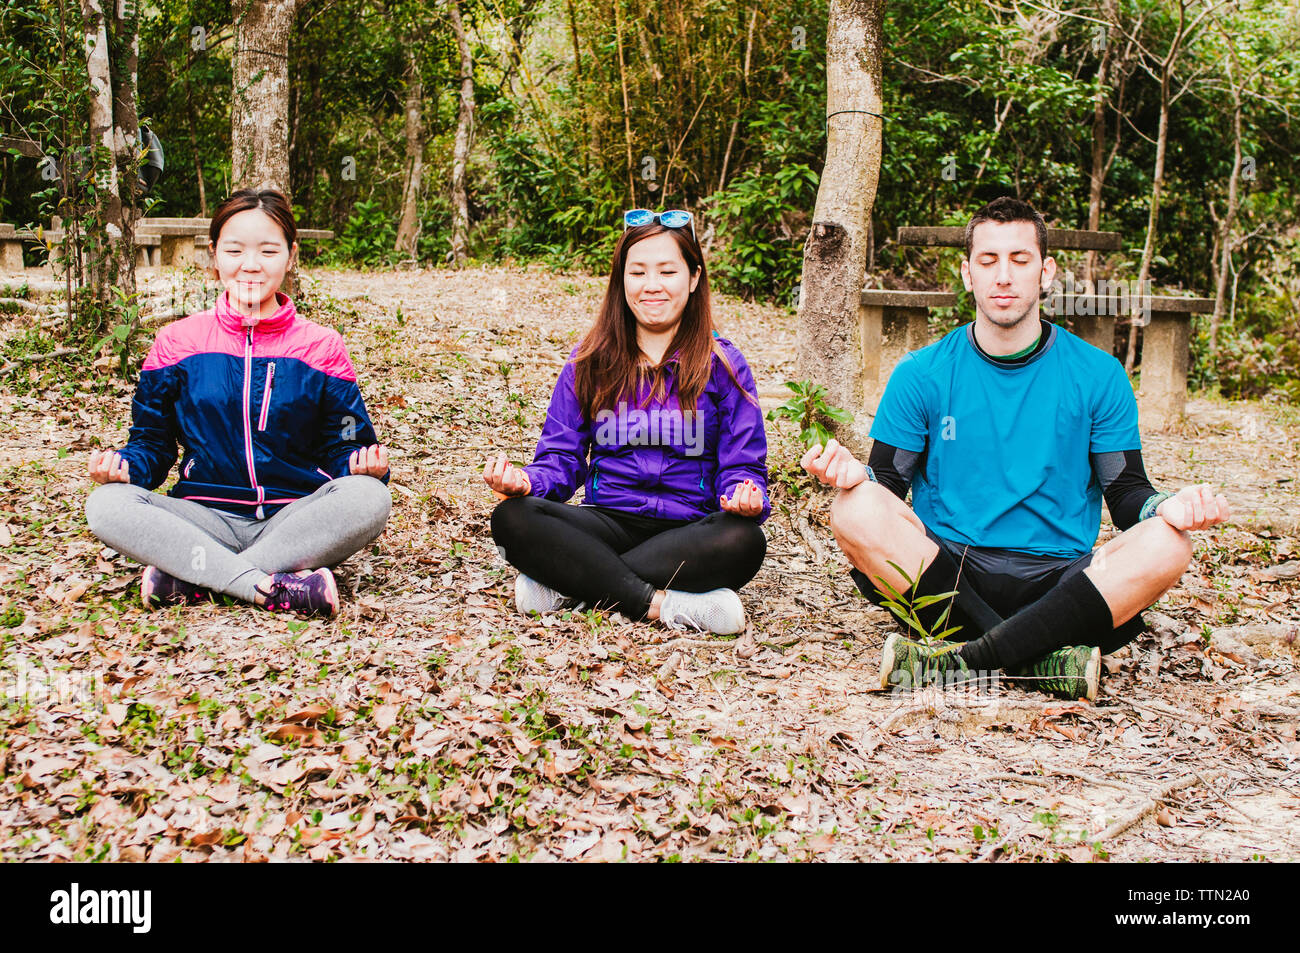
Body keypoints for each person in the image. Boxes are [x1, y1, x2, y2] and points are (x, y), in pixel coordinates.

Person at [802, 196, 1230, 701]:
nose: (1003, 276)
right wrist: (858, 478)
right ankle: (1037, 658)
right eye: (989, 261)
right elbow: (887, 486)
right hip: (949, 575)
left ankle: (966, 661)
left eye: (1019, 260)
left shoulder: (1098, 375)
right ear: (968, 274)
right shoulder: (922, 374)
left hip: (1062, 581)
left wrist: (1167, 507)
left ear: (1046, 272)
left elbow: (1126, 491)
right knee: (854, 509)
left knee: (1169, 542)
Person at [85, 188, 391, 617]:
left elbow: (346, 443)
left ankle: (196, 578)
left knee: (368, 497)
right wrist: (125, 468)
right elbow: (151, 445)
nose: (250, 264)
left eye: (268, 250)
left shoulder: (322, 346)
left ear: (290, 255)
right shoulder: (176, 343)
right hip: (203, 517)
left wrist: (364, 465)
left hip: (294, 518)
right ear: (214, 254)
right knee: (105, 504)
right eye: (234, 250)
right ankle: (273, 585)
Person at [485, 209, 769, 634]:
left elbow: (743, 465)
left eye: (667, 271)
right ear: (621, 281)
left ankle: (570, 587)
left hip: (689, 531)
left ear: (693, 279)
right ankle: (662, 606)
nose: (651, 285)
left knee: (744, 541)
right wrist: (527, 482)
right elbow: (560, 458)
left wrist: (744, 496)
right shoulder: (589, 363)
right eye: (637, 272)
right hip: (606, 522)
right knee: (513, 518)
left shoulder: (723, 364)